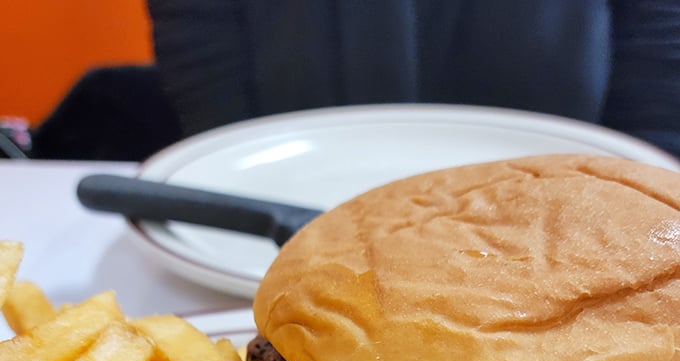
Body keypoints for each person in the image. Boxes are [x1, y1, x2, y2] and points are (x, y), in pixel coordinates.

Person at [146, 0, 680, 158]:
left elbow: (660, 25)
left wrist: (652, 173)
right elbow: (196, 20)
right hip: (281, 156)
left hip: (572, 152)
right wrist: (223, 153)